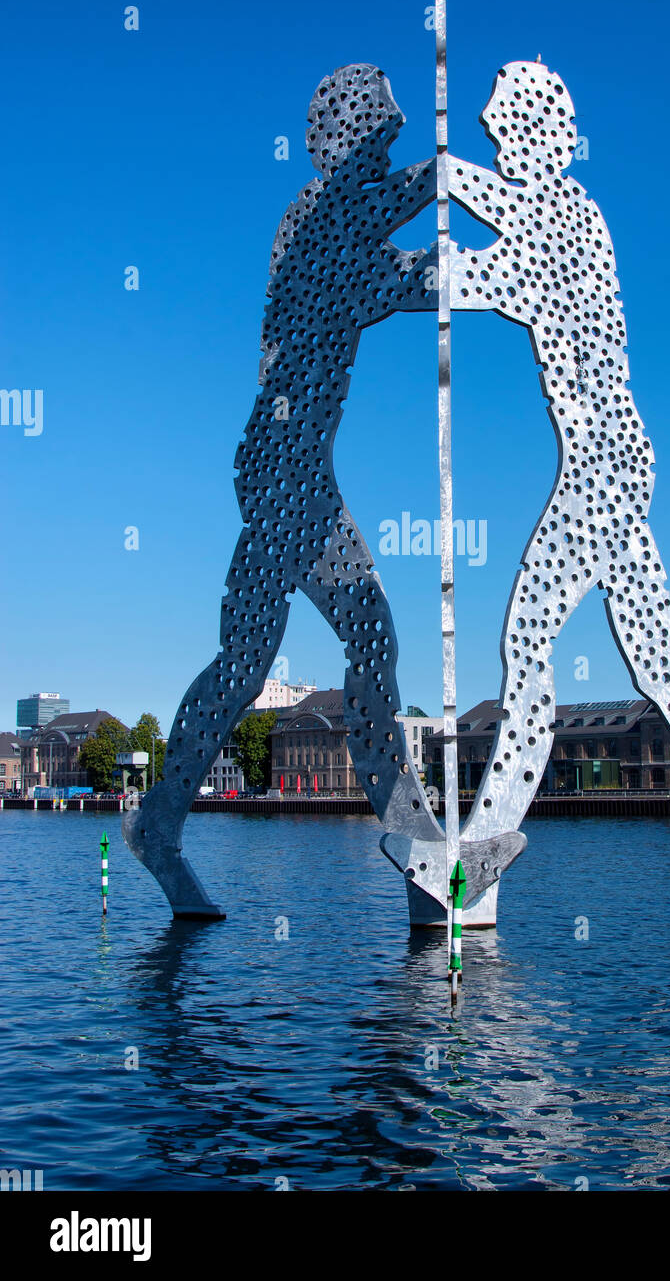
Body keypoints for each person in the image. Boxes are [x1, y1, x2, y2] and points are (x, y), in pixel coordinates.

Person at [446, 61, 670, 909]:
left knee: (527, 642)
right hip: (617, 461)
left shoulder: (569, 212)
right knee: (658, 659)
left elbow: (501, 275)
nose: (494, 141)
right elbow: (498, 254)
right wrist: (445, 215)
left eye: (502, 128)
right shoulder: (551, 211)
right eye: (486, 132)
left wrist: (439, 200)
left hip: (604, 465)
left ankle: (475, 869)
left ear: (541, 132)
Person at [124, 64, 443, 916]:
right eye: (377, 145)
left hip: (288, 467)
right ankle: (420, 856)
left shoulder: (335, 223)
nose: (385, 164)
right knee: (369, 631)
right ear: (342, 146)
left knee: (243, 662)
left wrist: (457, 230)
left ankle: (156, 823)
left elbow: (399, 250)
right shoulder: (313, 229)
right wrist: (458, 183)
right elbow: (393, 263)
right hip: (283, 469)